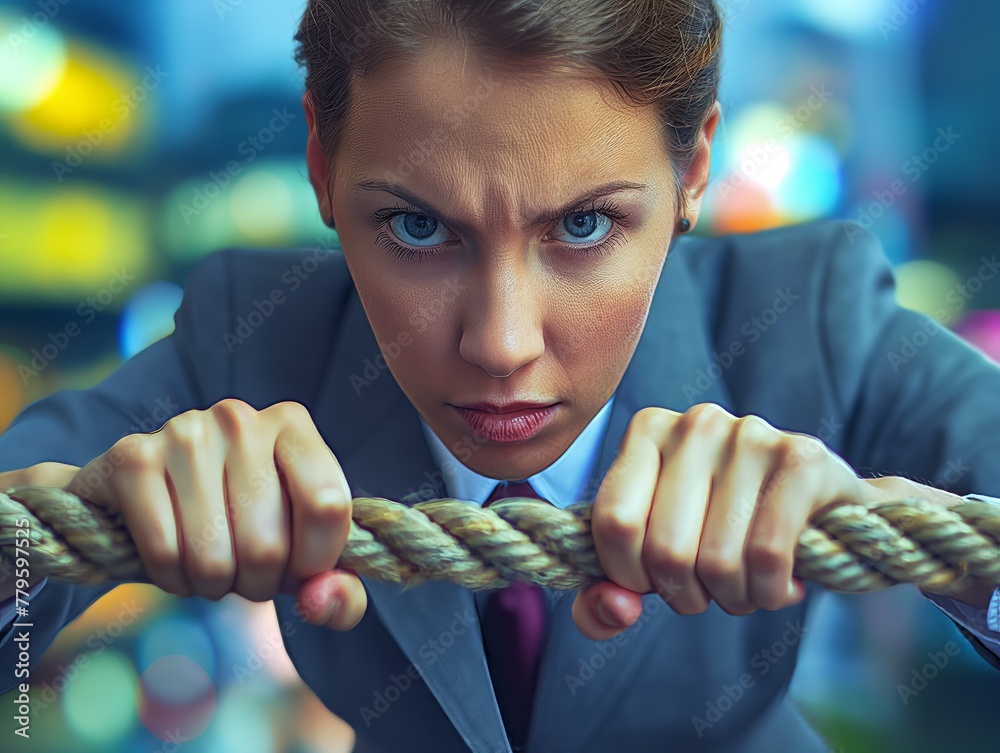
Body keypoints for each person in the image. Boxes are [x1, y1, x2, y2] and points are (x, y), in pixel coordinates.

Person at [1, 1, 999, 751]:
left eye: (582, 225)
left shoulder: (808, 314)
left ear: (693, 169)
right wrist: (75, 526)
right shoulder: (254, 335)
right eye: (419, 227)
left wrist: (933, 543)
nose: (500, 345)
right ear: (320, 162)